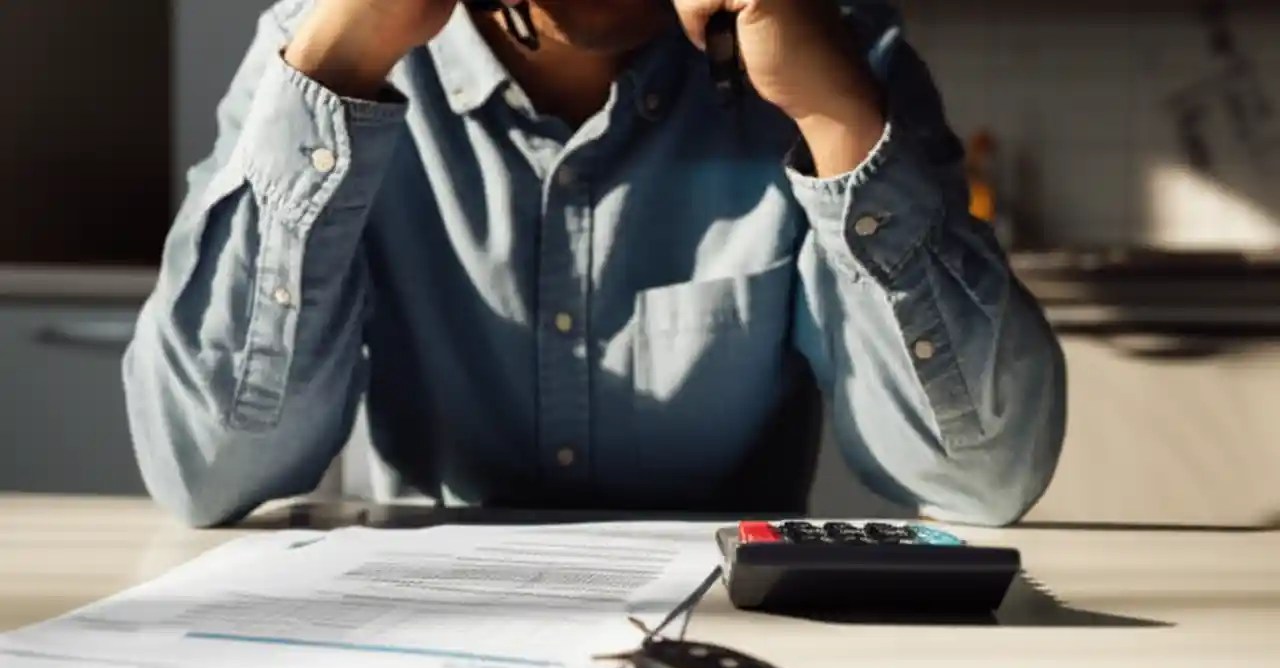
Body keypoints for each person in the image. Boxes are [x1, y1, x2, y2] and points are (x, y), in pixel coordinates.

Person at [123, 0, 1067, 528]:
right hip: (427, 651)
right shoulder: (325, 48)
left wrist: (833, 118)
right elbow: (207, 471)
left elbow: (980, 477)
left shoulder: (830, 48)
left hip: (742, 657)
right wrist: (336, 60)